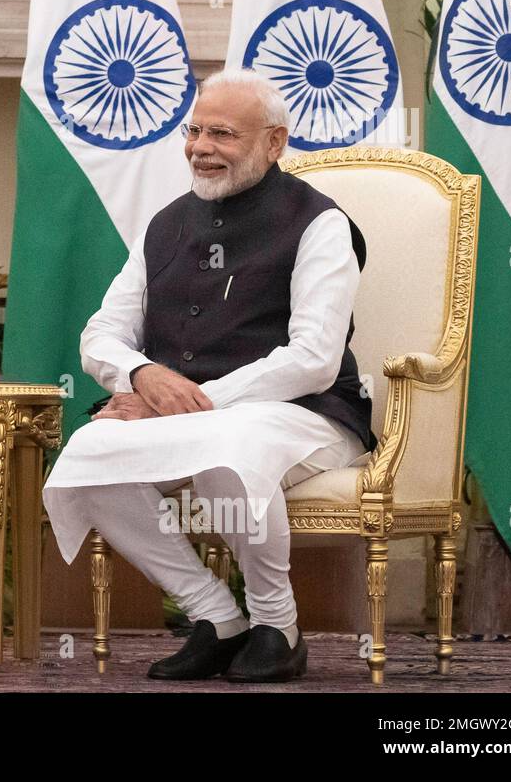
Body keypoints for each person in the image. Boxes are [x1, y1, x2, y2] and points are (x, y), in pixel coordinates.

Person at [43, 68, 375, 683]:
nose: (200, 147)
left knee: (227, 446)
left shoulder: (319, 224)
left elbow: (314, 358)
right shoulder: (165, 225)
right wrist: (142, 374)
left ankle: (278, 625)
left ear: (274, 143)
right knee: (89, 455)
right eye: (194, 130)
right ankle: (216, 615)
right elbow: (100, 335)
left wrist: (186, 402)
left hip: (311, 413)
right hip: (194, 418)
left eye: (222, 133)